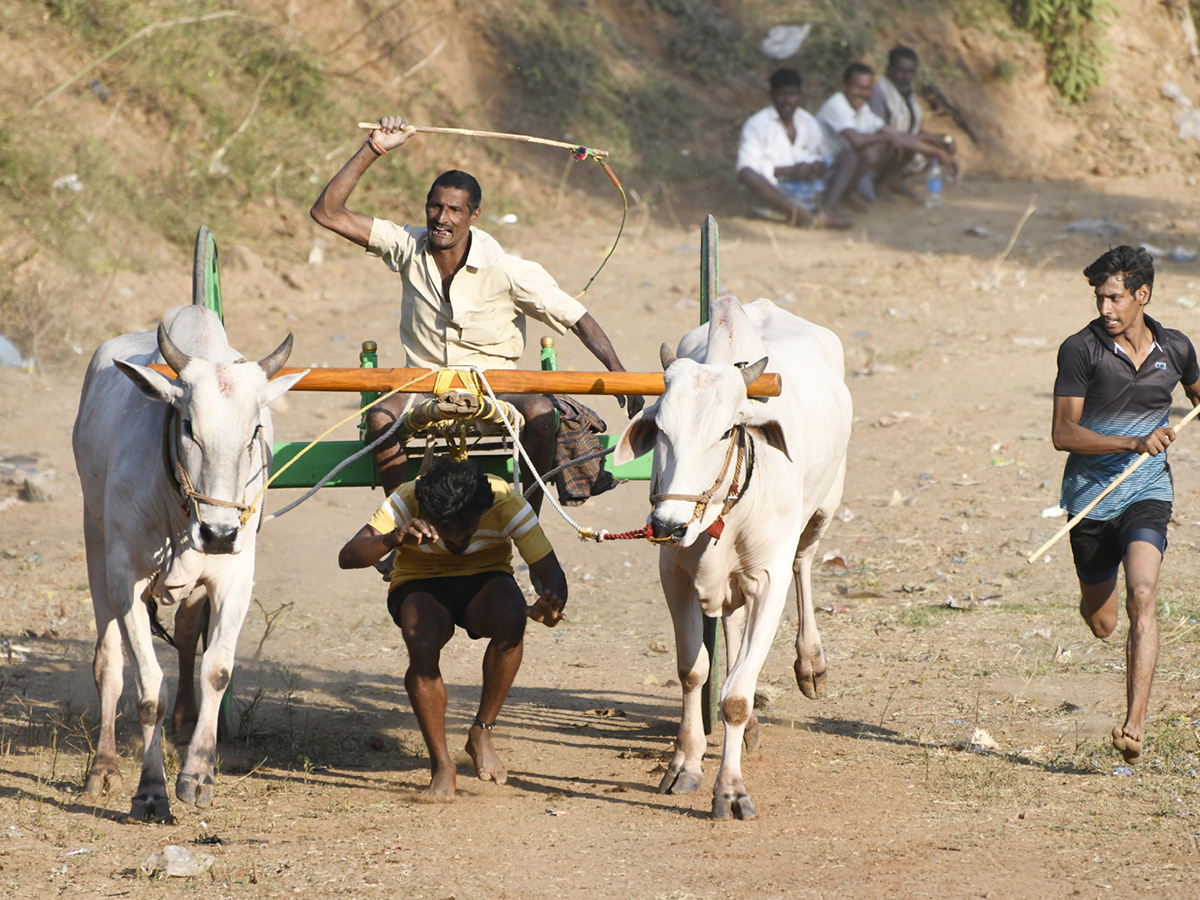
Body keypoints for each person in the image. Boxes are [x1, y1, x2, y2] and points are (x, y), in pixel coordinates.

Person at [310, 116, 643, 513]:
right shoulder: (406, 246)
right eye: (435, 206)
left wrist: (620, 374)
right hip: (422, 382)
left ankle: (525, 517)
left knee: (540, 412)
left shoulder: (506, 269)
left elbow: (577, 317)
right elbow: (327, 213)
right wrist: (375, 147)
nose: (441, 218)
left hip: (494, 382)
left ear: (474, 216)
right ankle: (401, 521)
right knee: (380, 418)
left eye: (454, 209)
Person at [339, 457, 569, 800]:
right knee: (422, 644)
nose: (458, 539)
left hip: (485, 579)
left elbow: (552, 574)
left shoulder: (504, 500)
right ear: (428, 513)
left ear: (482, 510)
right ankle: (442, 766)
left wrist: (551, 607)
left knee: (512, 618)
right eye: (448, 530)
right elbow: (348, 556)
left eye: (468, 528)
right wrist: (392, 538)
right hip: (420, 582)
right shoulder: (406, 499)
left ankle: (481, 732)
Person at [1051, 245, 1200, 766]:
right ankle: (1093, 593)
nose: (1105, 310)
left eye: (1114, 298)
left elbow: (1198, 394)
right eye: (1099, 299)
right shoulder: (1080, 350)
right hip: (1089, 500)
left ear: (1143, 294)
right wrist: (1133, 443)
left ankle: (1135, 724)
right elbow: (1063, 434)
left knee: (1142, 593)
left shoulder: (1176, 348)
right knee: (1103, 622)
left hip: (1147, 493)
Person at [817, 62, 958, 214]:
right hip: (820, 166)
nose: (863, 93)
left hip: (839, 164)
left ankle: (845, 196)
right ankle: (830, 205)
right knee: (867, 153)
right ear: (844, 86)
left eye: (867, 88)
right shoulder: (837, 104)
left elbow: (897, 135)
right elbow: (856, 140)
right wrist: (886, 138)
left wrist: (937, 151)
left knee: (889, 146)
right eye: (857, 88)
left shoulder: (861, 108)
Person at [735, 68, 852, 229]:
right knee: (746, 174)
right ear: (772, 95)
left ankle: (825, 212)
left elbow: (820, 154)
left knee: (848, 157)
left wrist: (817, 167)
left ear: (800, 96)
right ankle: (798, 215)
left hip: (809, 187)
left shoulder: (807, 121)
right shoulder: (757, 125)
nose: (788, 100)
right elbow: (746, 168)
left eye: (793, 95)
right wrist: (791, 171)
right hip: (776, 191)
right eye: (782, 95)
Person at [868, 46, 957, 197]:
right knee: (906, 147)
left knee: (944, 144)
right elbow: (881, 132)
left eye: (910, 72)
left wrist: (938, 138)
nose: (906, 76)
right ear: (889, 69)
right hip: (883, 144)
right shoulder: (879, 93)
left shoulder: (908, 93)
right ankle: (878, 183)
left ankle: (895, 180)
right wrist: (924, 143)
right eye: (901, 71)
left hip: (905, 140)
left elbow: (914, 129)